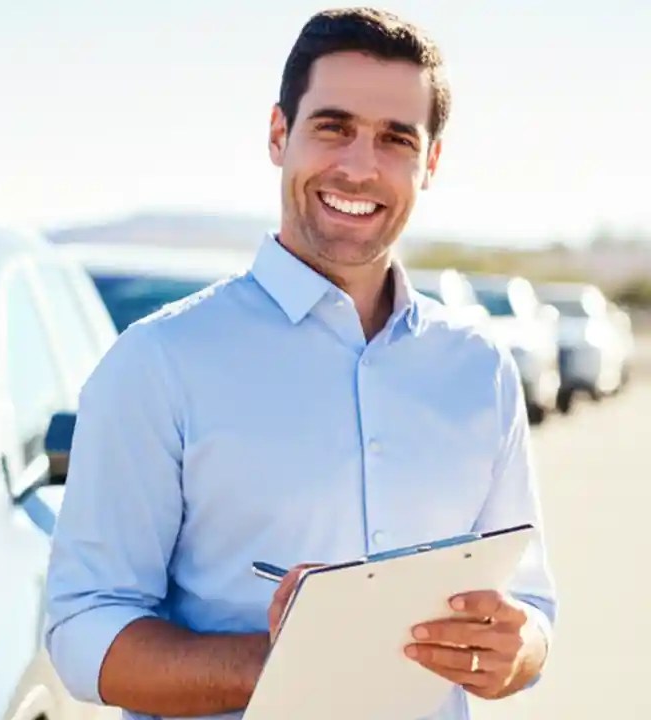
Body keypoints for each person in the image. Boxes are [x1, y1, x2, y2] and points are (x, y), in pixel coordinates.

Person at [44, 7, 556, 719]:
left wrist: (517, 650)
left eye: (395, 139)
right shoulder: (159, 363)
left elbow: (531, 610)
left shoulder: (479, 369)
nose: (359, 166)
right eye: (333, 127)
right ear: (279, 134)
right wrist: (284, 661)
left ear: (430, 162)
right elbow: (82, 629)